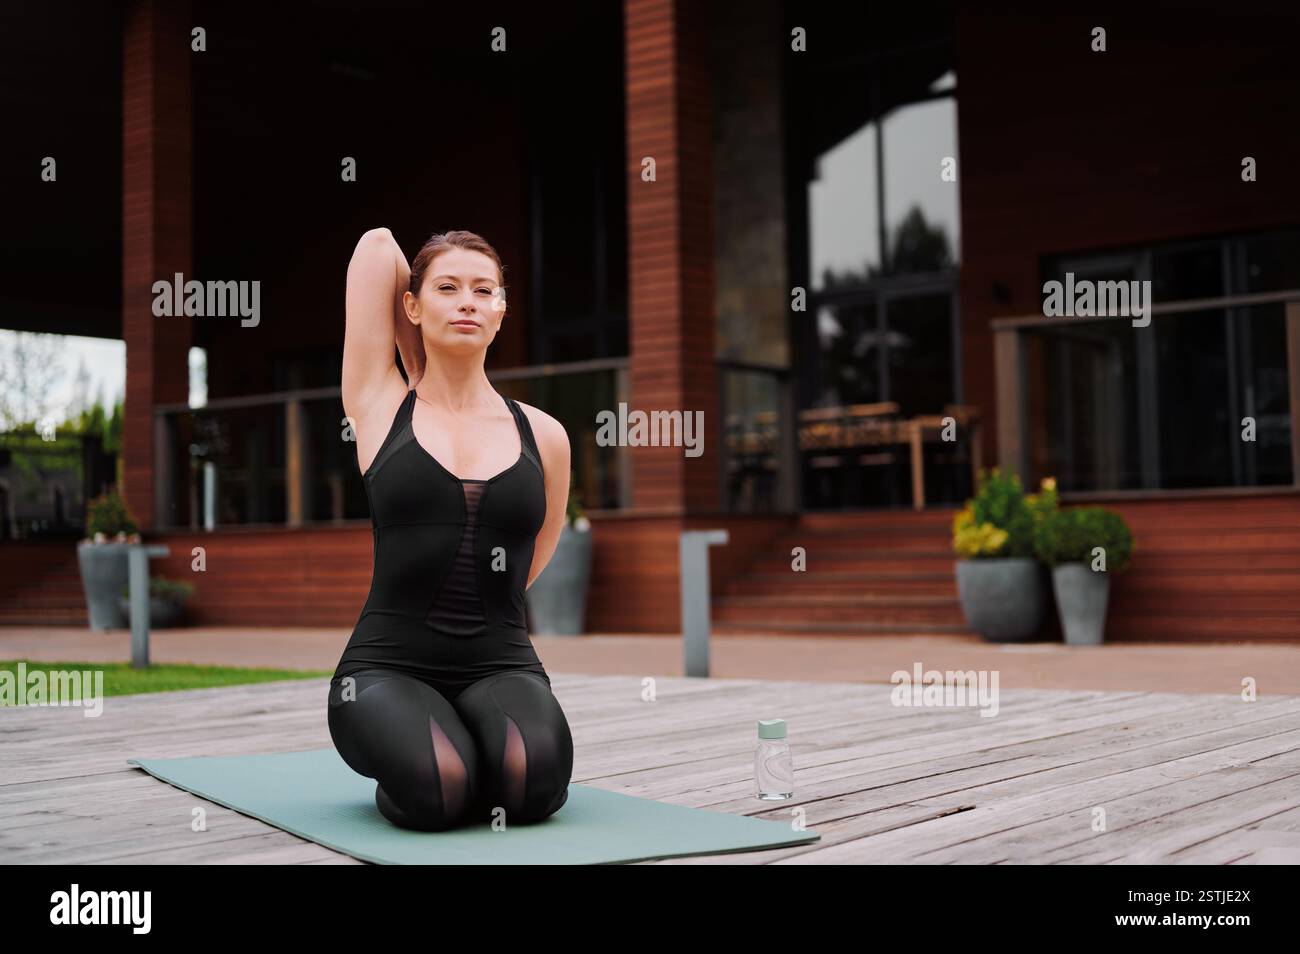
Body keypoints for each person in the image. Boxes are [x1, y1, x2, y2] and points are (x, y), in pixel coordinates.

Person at [328, 227, 574, 831]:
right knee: (442, 790)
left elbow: (535, 550)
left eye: (483, 290)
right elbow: (377, 247)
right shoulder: (380, 405)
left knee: (531, 787)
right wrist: (415, 358)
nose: (467, 300)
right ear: (410, 306)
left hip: (502, 662)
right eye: (446, 288)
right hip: (385, 668)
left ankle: (474, 732)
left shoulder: (544, 433)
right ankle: (440, 749)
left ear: (501, 310)